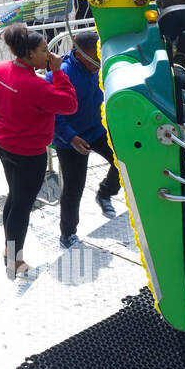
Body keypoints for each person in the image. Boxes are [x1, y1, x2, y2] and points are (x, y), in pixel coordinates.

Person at [0, 23, 78, 276]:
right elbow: (69, 104)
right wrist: (57, 72)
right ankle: (15, 261)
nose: (49, 55)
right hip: (28, 153)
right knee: (21, 207)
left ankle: (8, 249)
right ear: (30, 54)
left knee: (14, 198)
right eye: (45, 50)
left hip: (1, 143)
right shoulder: (37, 86)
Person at [52, 31, 122, 250]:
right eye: (94, 59)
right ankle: (67, 234)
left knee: (124, 162)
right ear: (78, 53)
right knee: (74, 188)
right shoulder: (63, 73)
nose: (98, 63)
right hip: (71, 138)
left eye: (100, 58)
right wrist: (71, 137)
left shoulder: (100, 64)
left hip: (97, 128)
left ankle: (105, 193)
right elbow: (53, 113)